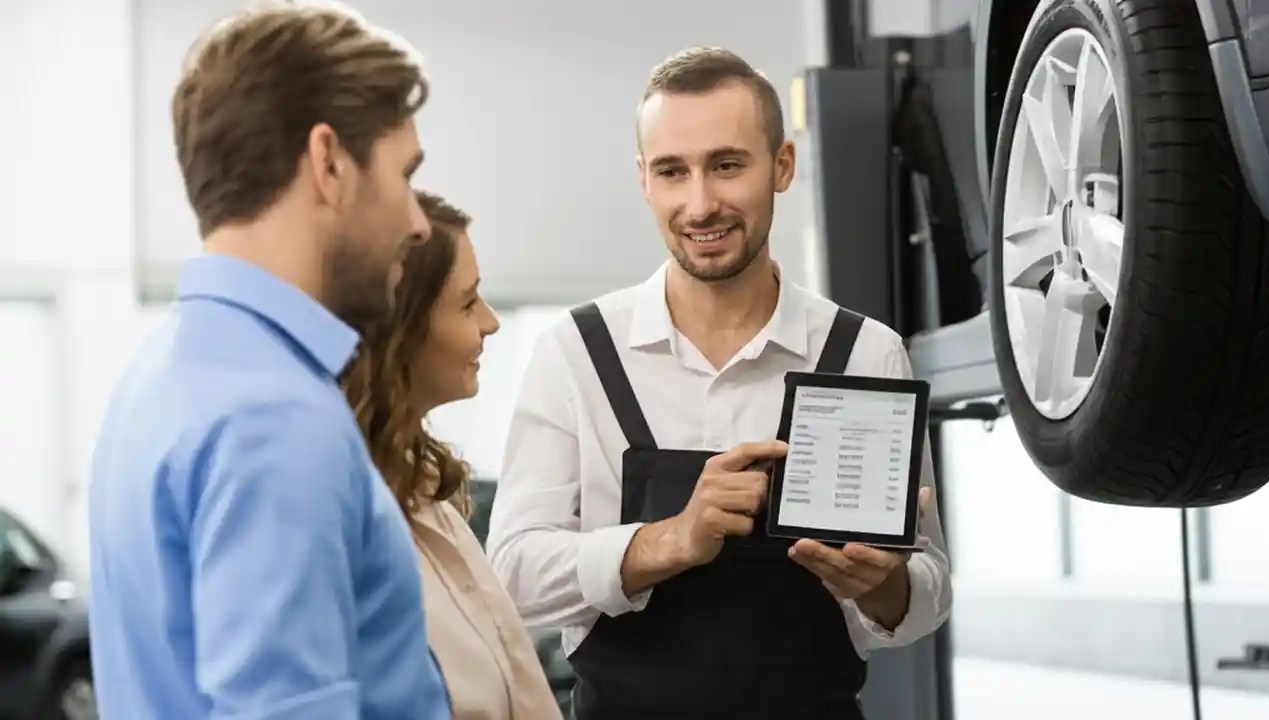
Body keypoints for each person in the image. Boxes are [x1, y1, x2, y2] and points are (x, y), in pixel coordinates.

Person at [486, 46, 952, 719]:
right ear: (645, 181)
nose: (700, 204)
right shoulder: (579, 353)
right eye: (673, 172)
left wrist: (883, 587)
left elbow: (929, 589)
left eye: (727, 166)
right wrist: (669, 541)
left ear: (782, 167)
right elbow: (512, 574)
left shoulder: (862, 352)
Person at [86, 4, 452, 718]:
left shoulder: (161, 373)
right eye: (404, 174)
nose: (416, 220)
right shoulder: (274, 418)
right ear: (328, 163)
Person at [341, 190, 563, 720]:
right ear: (403, 328)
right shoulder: (347, 511)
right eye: (467, 303)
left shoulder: (426, 485)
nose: (490, 322)